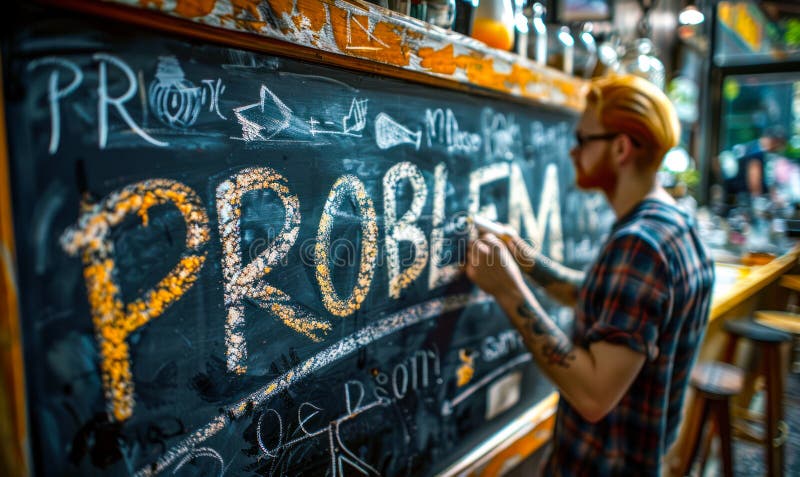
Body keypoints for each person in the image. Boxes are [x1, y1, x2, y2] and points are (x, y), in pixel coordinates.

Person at [464, 75, 715, 475]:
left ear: (620, 148)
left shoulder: (640, 245)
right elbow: (600, 300)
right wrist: (524, 257)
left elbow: (594, 394)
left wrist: (509, 292)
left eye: (583, 139)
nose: (572, 151)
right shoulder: (671, 223)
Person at [722, 126, 786, 202]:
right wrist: (757, 198)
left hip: (734, 192)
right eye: (779, 144)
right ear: (773, 141)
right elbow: (754, 176)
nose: (779, 148)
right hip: (739, 194)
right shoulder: (757, 151)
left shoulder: (753, 146)